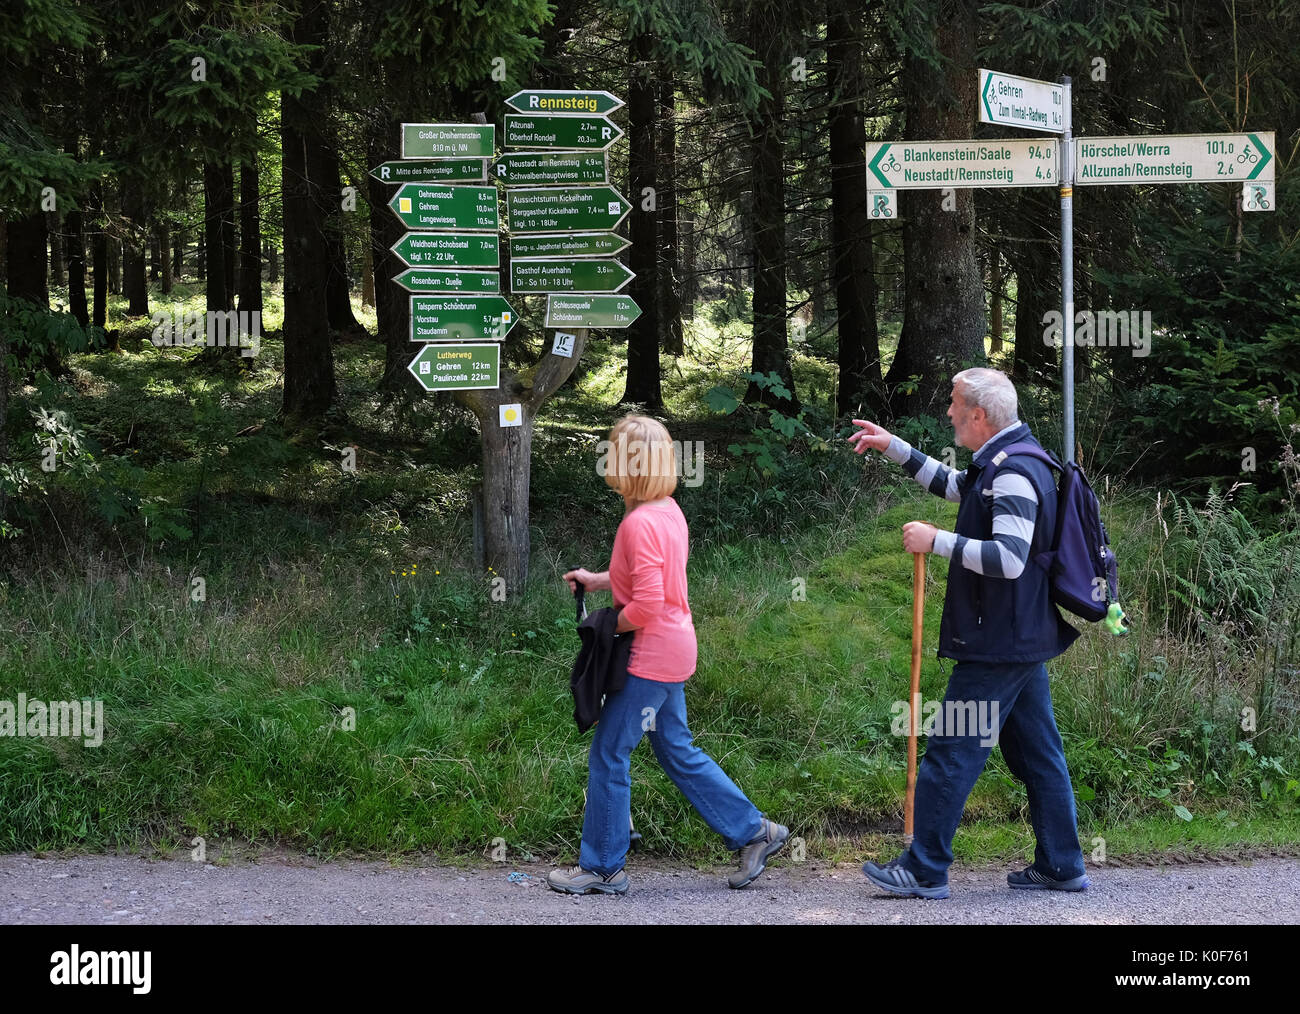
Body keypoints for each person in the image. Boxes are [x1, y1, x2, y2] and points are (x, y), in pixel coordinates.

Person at [848, 368, 1089, 899]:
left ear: (979, 415)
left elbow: (1008, 559)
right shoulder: (1006, 459)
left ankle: (924, 868)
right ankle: (1062, 864)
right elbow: (959, 488)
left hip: (998, 642)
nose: (950, 412)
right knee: (1038, 755)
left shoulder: (1014, 473)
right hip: (1018, 638)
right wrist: (894, 448)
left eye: (956, 405)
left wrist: (937, 541)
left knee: (952, 749)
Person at [548, 414, 789, 895]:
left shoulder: (638, 523)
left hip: (650, 658)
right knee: (675, 747)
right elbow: (652, 579)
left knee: (610, 753)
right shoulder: (667, 510)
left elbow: (647, 604)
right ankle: (754, 832)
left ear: (627, 464)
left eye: (613, 453)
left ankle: (602, 868)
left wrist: (602, 625)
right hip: (676, 647)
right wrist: (599, 582)